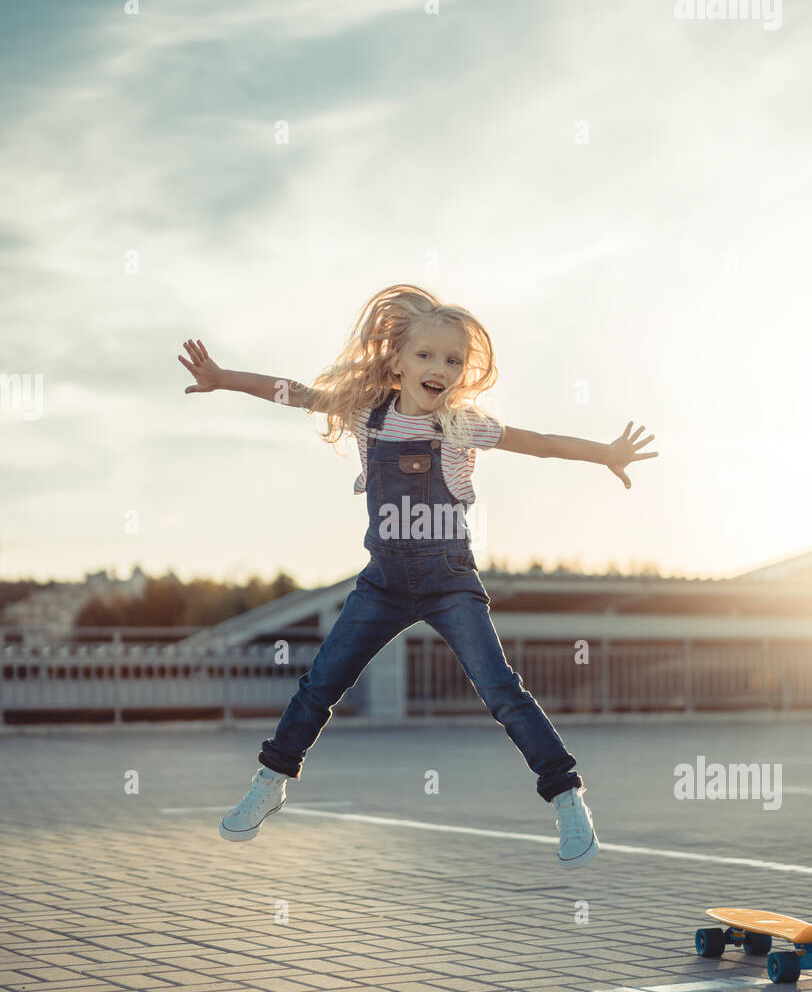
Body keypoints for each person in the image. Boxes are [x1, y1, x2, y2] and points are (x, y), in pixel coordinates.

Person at [177, 283, 658, 866]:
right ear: (398, 359)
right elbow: (293, 392)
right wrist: (224, 377)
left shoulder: (462, 426)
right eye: (427, 355)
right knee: (321, 683)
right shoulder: (366, 414)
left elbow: (541, 443)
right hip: (383, 582)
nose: (440, 369)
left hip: (448, 579)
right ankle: (271, 781)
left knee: (501, 690)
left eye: (453, 360)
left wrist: (604, 452)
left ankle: (566, 796)